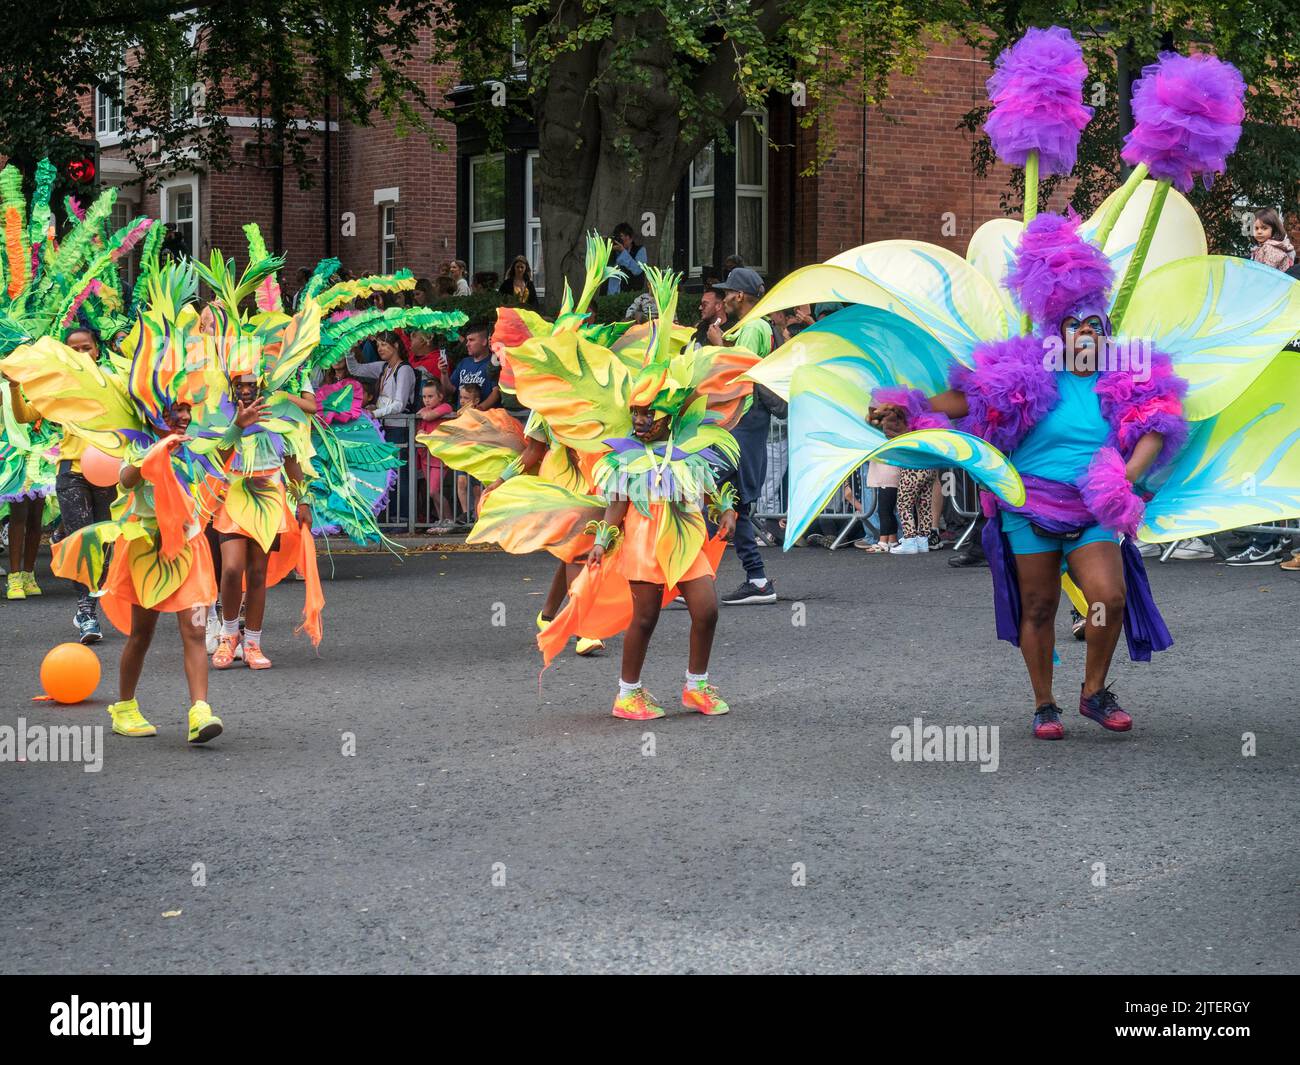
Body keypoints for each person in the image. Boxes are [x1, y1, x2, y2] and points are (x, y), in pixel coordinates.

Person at [1228, 207, 1297, 567]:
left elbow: (1260, 291)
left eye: (1263, 227)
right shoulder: (1274, 253)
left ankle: (1270, 536)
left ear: (1274, 228)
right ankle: (1261, 532)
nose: (1257, 231)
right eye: (1254, 227)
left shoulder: (1271, 255)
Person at [709, 267, 780, 605]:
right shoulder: (751, 327)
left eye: (727, 292)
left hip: (744, 420)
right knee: (732, 502)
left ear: (739, 295)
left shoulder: (754, 326)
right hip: (746, 421)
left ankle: (688, 580)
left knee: (715, 494)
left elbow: (741, 371)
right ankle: (757, 579)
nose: (723, 297)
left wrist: (720, 346)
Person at [51, 328, 119, 641]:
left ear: (97, 350)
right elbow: (27, 416)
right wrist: (13, 389)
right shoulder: (58, 386)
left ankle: (62, 530)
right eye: (73, 349)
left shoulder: (114, 383)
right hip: (72, 472)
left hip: (107, 471)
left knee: (106, 543)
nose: (80, 353)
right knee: (84, 543)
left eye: (86, 347)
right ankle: (88, 612)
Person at [416, 377, 454, 528]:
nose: (427, 400)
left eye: (430, 396)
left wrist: (425, 413)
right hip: (426, 456)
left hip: (439, 456)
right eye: (424, 397)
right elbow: (420, 430)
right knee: (432, 492)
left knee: (433, 491)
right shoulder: (426, 410)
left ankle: (449, 520)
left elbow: (427, 416)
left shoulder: (445, 407)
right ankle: (441, 520)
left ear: (440, 396)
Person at [446, 322, 500, 410]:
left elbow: (496, 392)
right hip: (463, 418)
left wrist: (479, 409)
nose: (467, 344)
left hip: (486, 418)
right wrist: (444, 373)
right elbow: (450, 391)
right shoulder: (464, 362)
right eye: (467, 341)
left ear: (484, 342)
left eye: (471, 340)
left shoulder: (493, 363)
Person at [606, 222, 648, 294]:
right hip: (609, 297)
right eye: (617, 237)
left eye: (621, 236)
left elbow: (638, 270)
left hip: (629, 297)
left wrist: (623, 252)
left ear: (630, 238)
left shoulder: (640, 250)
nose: (619, 240)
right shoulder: (612, 251)